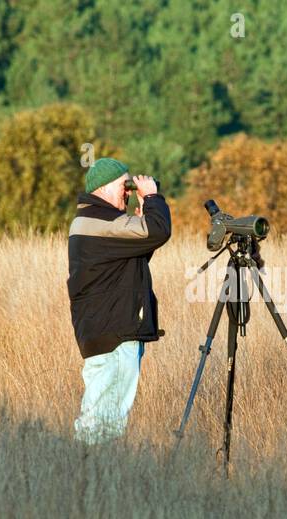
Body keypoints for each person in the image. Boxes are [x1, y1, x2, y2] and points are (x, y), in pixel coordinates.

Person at [67, 158, 171, 444]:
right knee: (101, 424)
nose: (127, 192)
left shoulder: (91, 222)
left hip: (106, 330)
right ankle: (89, 478)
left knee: (102, 420)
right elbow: (159, 231)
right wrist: (151, 197)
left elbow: (128, 263)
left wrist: (138, 226)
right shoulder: (99, 222)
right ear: (101, 189)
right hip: (113, 333)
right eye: (122, 186)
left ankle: (90, 476)